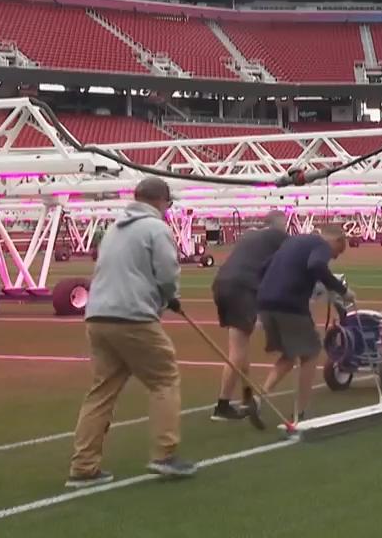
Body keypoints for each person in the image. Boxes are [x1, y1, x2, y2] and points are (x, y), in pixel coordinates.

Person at [67, 177, 195, 488]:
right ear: (161, 200)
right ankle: (165, 454)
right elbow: (167, 273)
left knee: (102, 391)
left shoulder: (114, 228)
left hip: (98, 316)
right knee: (164, 379)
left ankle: (84, 466)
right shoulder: (156, 228)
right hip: (133, 316)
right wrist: (168, 298)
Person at [257, 224, 350, 424]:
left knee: (289, 355)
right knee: (311, 352)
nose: (334, 257)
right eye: (337, 252)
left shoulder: (293, 242)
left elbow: (264, 267)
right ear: (337, 241)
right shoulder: (321, 245)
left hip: (265, 302)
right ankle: (301, 412)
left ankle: (260, 397)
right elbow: (316, 265)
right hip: (289, 305)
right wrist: (341, 289)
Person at [209, 210, 288, 422]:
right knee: (237, 351)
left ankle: (247, 395)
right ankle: (222, 405)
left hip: (222, 284)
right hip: (242, 288)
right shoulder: (277, 236)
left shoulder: (250, 236)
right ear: (279, 224)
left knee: (240, 346)